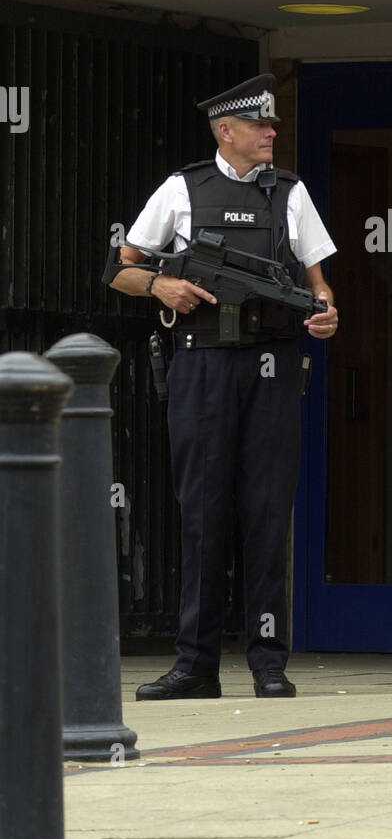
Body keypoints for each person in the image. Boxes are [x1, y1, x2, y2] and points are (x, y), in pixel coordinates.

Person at [106, 73, 338, 700]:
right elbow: (122, 269)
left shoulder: (290, 193)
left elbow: (318, 280)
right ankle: (196, 665)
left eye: (272, 126)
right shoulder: (182, 190)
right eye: (260, 125)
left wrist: (324, 309)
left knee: (266, 511)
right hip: (201, 363)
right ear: (225, 130)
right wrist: (162, 286)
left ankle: (267, 660)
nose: (271, 133)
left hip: (272, 364)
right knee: (203, 512)